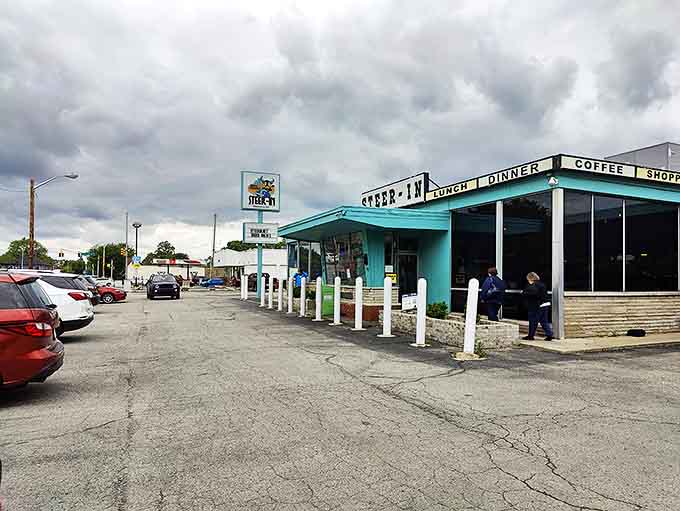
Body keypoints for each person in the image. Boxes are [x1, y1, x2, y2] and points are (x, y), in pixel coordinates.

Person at [522, 272, 553, 341]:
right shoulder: (542, 284)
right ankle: (549, 334)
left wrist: (525, 293)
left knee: (533, 321)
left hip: (536, 306)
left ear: (530, 278)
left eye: (528, 279)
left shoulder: (533, 285)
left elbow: (531, 294)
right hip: (545, 304)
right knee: (544, 321)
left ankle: (530, 336)